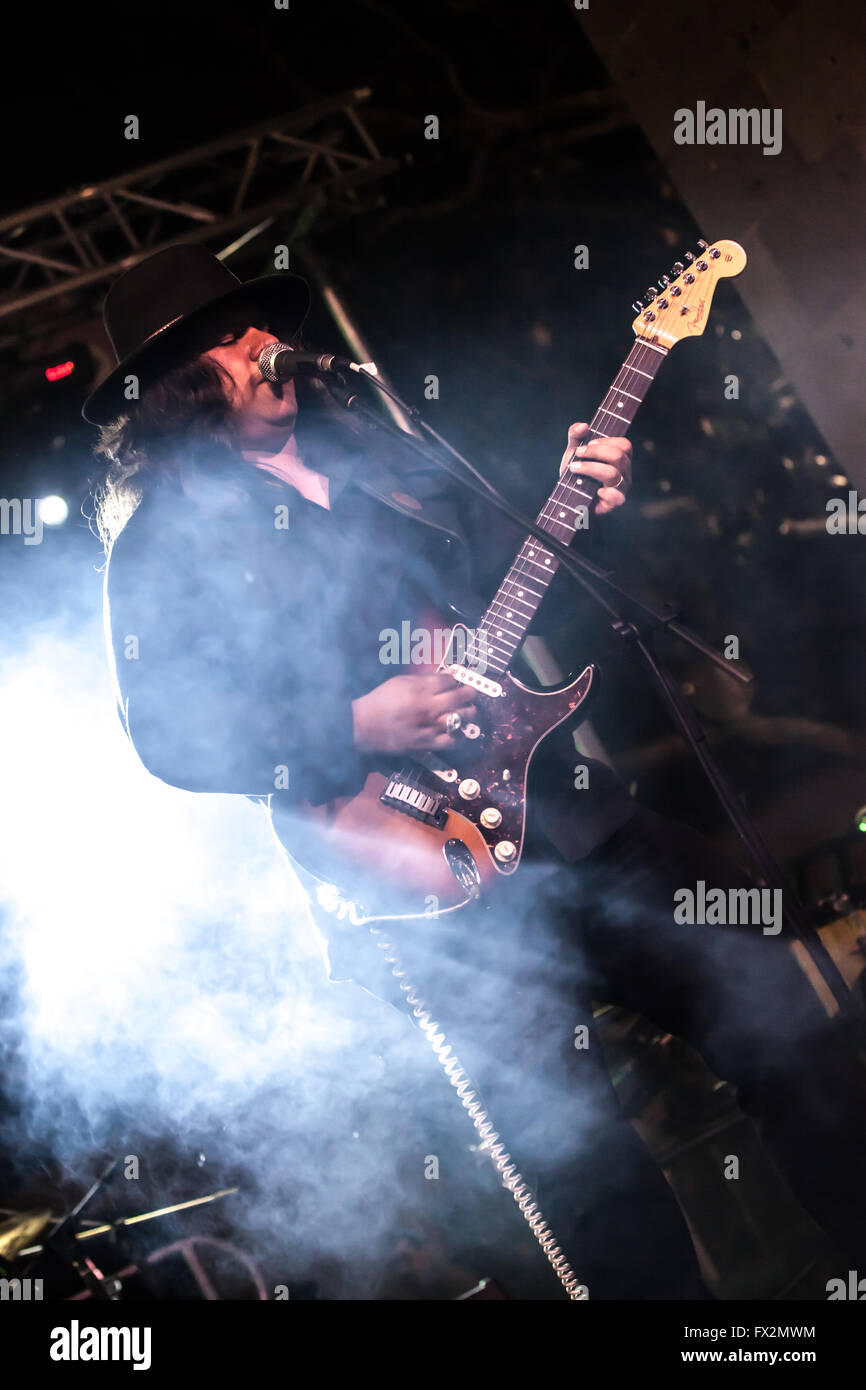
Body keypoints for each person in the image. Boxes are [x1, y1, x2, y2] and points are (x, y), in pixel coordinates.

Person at [85, 243, 866, 1298]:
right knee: (591, 1174)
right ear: (177, 383)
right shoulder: (161, 548)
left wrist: (575, 501)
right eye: (228, 337)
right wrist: (352, 718)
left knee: (784, 1022)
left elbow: (494, 593)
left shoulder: (374, 451)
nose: (263, 341)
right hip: (419, 880)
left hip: (563, 818)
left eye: (258, 321)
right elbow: (167, 732)